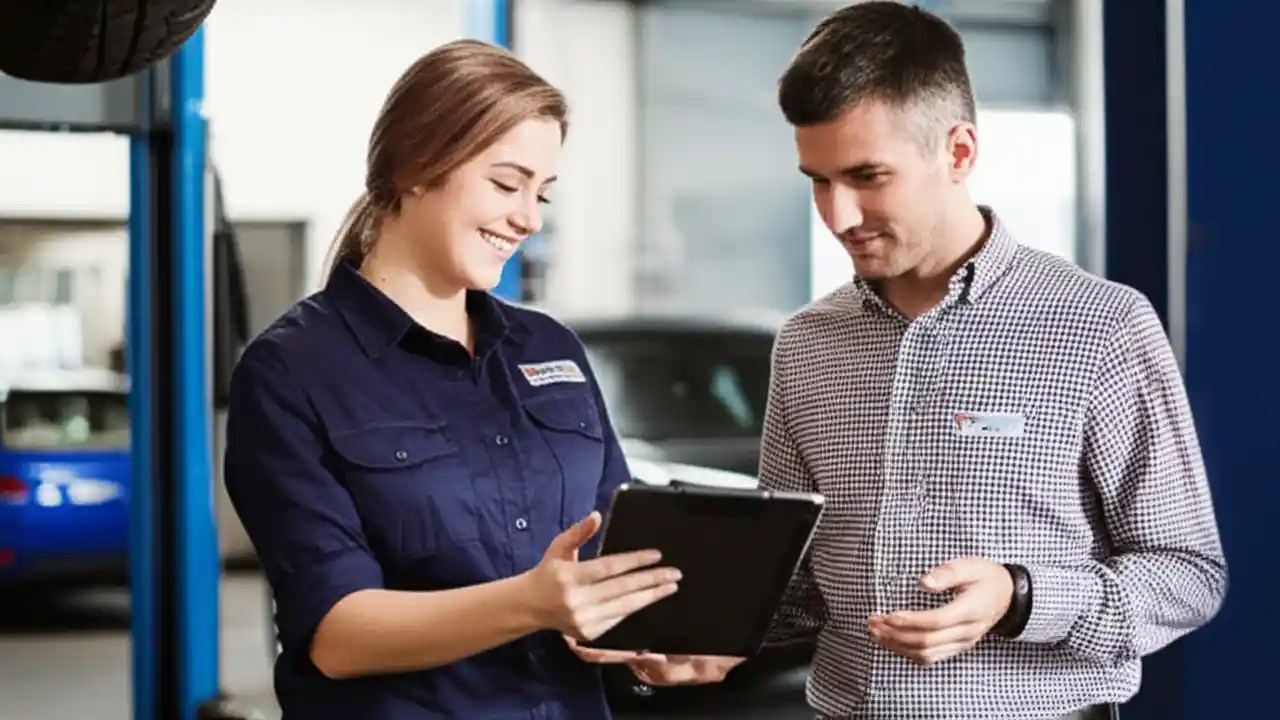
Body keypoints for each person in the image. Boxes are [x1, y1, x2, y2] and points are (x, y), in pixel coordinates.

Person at [756, 3, 1228, 719]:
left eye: (867, 176)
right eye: (817, 180)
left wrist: (1020, 597)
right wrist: (707, 637)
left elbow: (1188, 576)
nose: (840, 215)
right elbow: (788, 587)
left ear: (960, 152)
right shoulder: (808, 342)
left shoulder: (1100, 325)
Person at [223, 39, 708, 719]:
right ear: (417, 164)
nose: (528, 219)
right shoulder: (291, 372)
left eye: (541, 193)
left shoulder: (551, 348)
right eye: (507, 184)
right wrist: (529, 603)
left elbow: (606, 559)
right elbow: (336, 634)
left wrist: (657, 640)